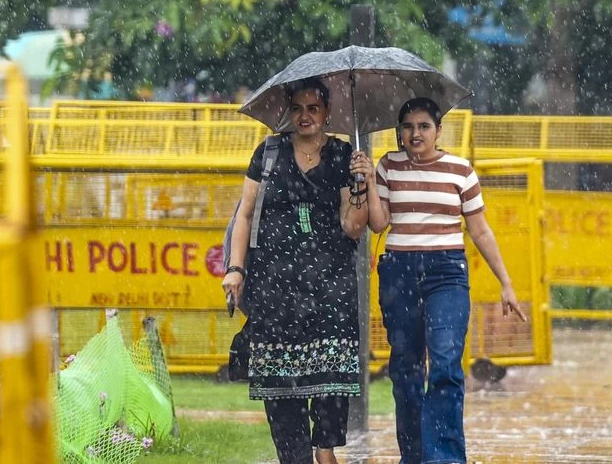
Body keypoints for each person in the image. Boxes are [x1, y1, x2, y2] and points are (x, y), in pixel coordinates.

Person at [350, 97, 527, 464]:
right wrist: (368, 180)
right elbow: (379, 224)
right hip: (399, 271)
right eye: (409, 127)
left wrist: (506, 283)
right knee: (406, 368)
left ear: (438, 131)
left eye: (424, 126)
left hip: (447, 273)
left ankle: (444, 458)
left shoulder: (460, 171)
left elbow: (480, 231)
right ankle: (414, 456)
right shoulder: (388, 166)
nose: (416, 134)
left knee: (446, 362)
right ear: (400, 133)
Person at [222, 77, 369, 464]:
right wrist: (236, 269)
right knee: (280, 388)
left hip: (330, 288)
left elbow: (353, 227)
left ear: (327, 113)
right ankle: (295, 457)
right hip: (275, 288)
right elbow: (245, 215)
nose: (305, 116)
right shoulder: (268, 153)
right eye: (298, 108)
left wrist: (360, 183)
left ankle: (325, 448)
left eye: (313, 108)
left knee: (330, 377)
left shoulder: (342, 155)